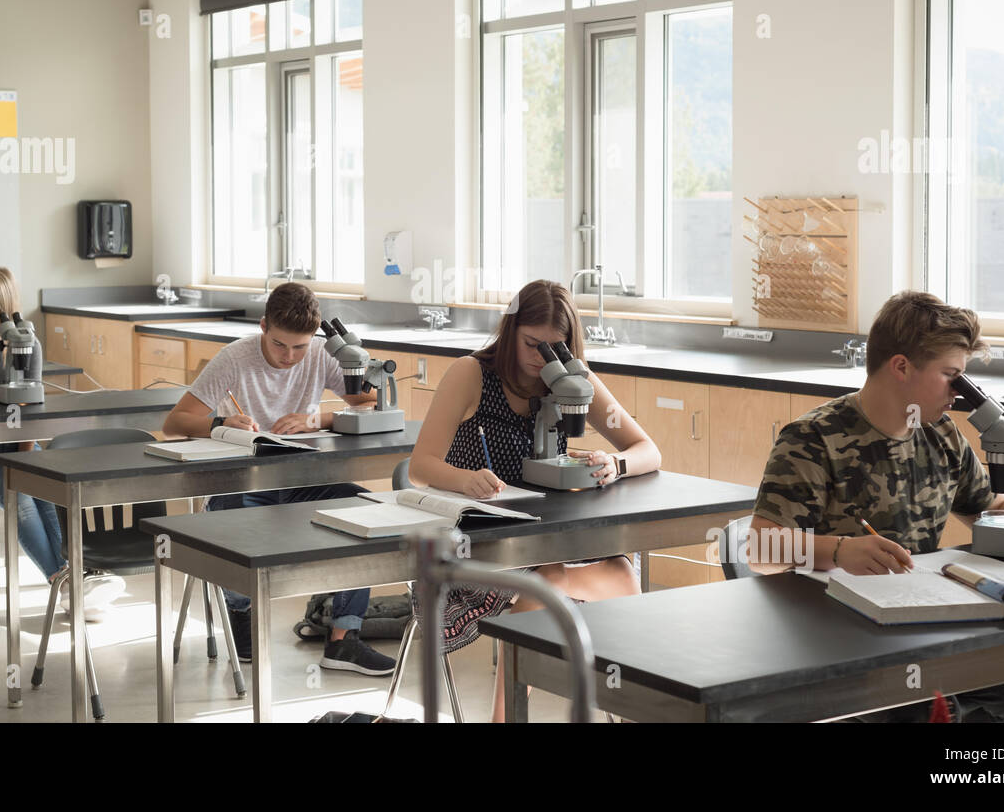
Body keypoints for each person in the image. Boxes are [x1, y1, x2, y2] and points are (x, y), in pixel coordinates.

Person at [749, 290, 1004, 721]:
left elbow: (983, 505)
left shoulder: (940, 434)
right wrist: (839, 550)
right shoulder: (812, 438)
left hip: (923, 616)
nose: (959, 393)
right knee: (937, 710)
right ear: (901, 366)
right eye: (950, 375)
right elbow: (763, 549)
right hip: (838, 628)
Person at [408, 279, 661, 721]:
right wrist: (465, 479)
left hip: (554, 539)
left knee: (622, 575)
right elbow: (420, 466)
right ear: (510, 331)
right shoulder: (470, 374)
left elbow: (648, 450)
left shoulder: (572, 379)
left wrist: (614, 464)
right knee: (540, 589)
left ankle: (626, 707)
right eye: (530, 343)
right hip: (480, 542)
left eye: (553, 347)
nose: (539, 356)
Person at [162, 282, 396, 675]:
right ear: (263, 327)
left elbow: (372, 400)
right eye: (279, 345)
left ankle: (343, 640)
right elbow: (174, 423)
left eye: (299, 347)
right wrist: (221, 423)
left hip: (302, 479)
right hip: (241, 485)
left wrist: (317, 419)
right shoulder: (233, 358)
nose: (289, 357)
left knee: (365, 510)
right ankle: (241, 611)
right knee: (233, 521)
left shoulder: (323, 354)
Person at [0, 266, 122, 621]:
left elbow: (29, 410)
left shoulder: (26, 342)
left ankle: (80, 579)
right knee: (21, 500)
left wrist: (24, 460)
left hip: (20, 445)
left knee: (50, 497)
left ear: (5, 308)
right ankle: (67, 580)